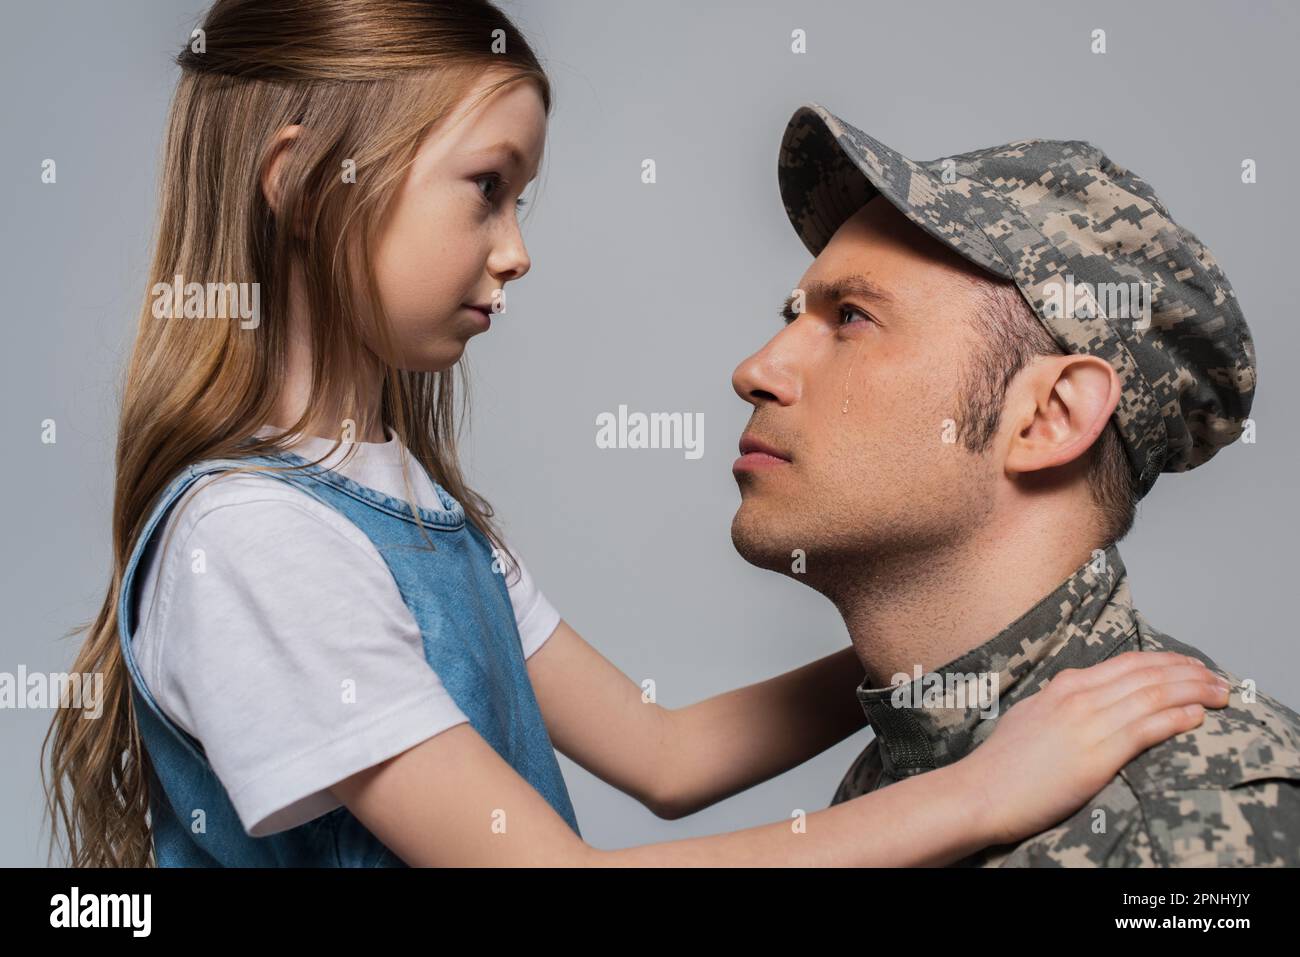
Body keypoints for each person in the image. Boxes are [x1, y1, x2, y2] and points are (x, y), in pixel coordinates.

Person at [42, 1, 1229, 868]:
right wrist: (982, 795)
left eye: (522, 199)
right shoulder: (254, 540)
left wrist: (962, 644)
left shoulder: (414, 509)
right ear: (303, 184)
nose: (515, 249)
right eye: (485, 187)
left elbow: (666, 760)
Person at [728, 102, 1300, 866]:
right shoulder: (905, 772)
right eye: (793, 314)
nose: (754, 371)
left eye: (852, 317)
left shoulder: (1181, 830)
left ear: (1050, 417)